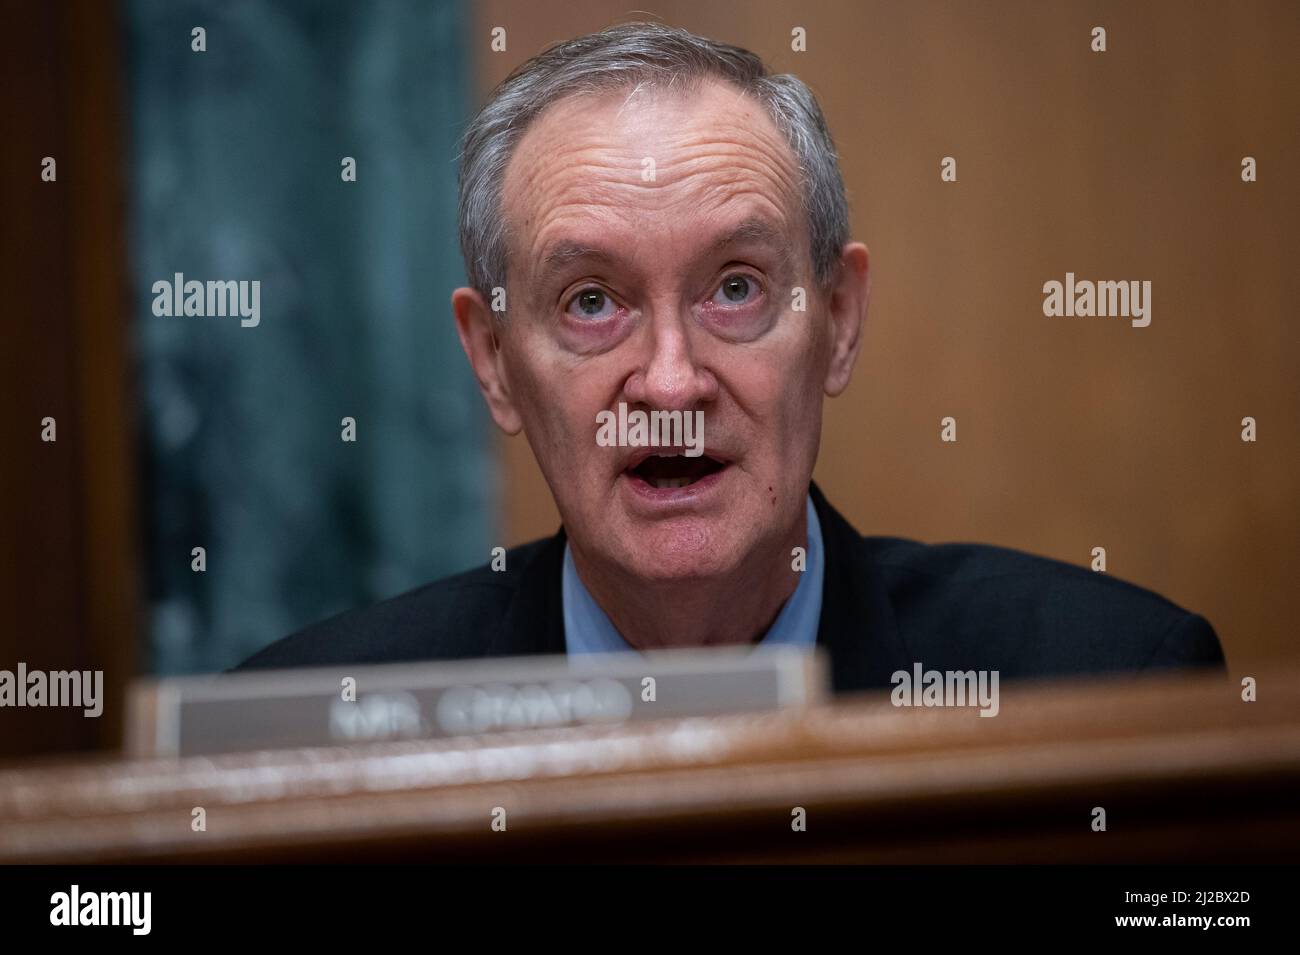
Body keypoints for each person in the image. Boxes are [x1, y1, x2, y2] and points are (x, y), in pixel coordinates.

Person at [237, 23, 1223, 691]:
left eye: (735, 287)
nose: (669, 382)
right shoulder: (311, 727)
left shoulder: (1107, 680)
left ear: (837, 319)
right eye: (590, 302)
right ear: (493, 360)